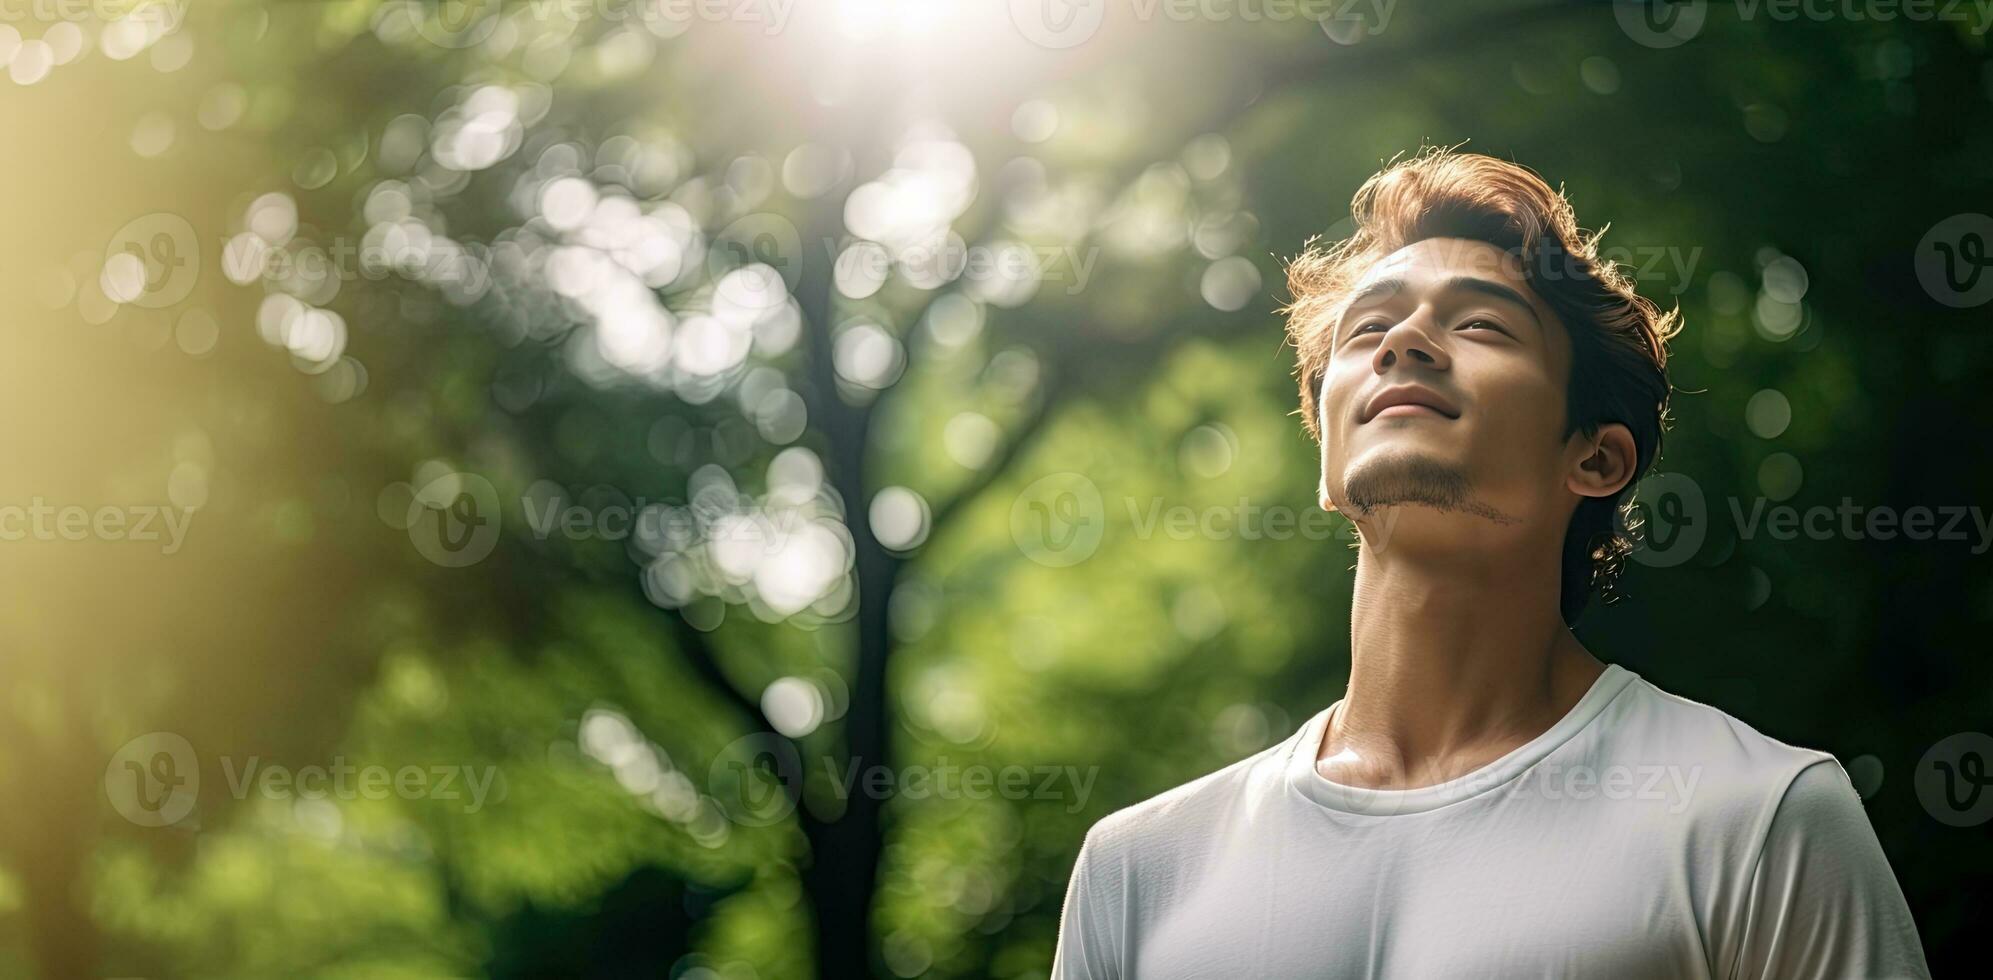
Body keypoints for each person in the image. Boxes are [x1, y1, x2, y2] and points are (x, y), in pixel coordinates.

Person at [1050, 149, 1929, 978]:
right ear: (1325, 455)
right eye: (1368, 329)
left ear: (1594, 459)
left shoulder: (1758, 818)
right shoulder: (1139, 870)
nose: (1404, 343)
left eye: (1478, 323)